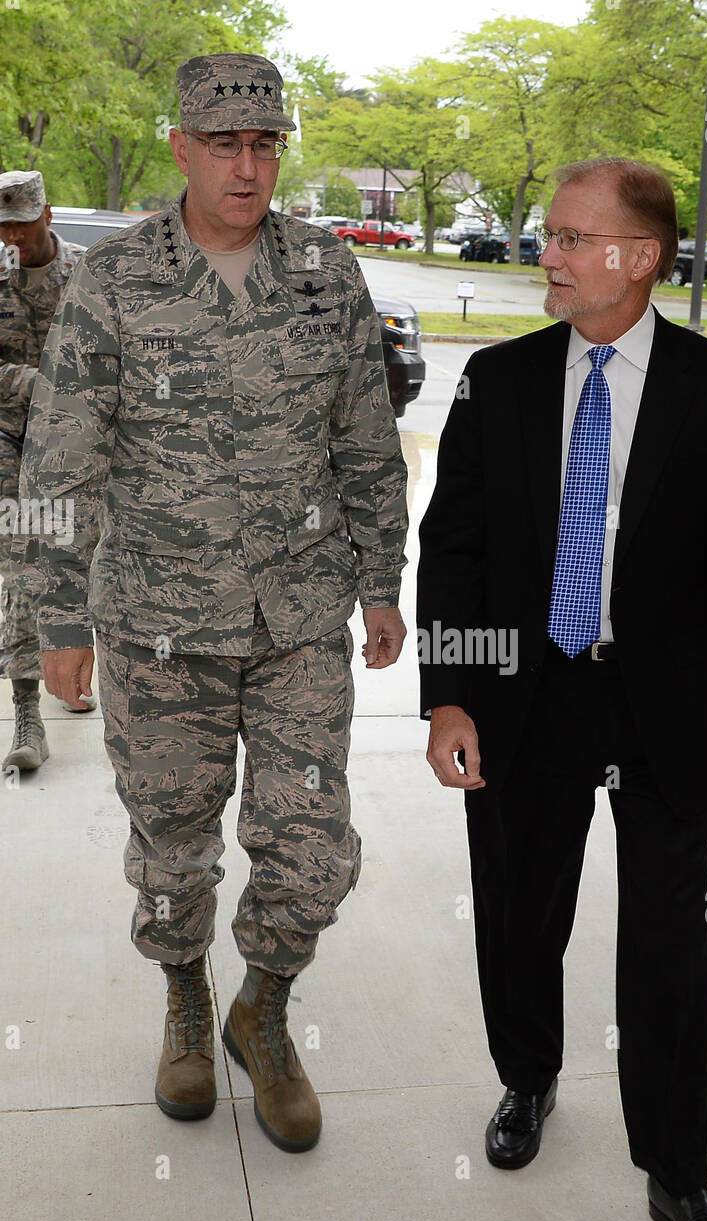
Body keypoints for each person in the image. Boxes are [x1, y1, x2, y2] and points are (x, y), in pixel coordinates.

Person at [16, 52, 408, 1155]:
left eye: (266, 143)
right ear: (182, 148)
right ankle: (187, 997)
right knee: (172, 841)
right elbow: (57, 465)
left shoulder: (328, 273)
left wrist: (381, 580)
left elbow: (365, 443)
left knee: (311, 846)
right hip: (156, 624)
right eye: (225, 144)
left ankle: (264, 1010)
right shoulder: (116, 281)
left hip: (297, 620)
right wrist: (55, 622)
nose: (248, 166)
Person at [417, 156, 707, 1221]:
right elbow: (455, 555)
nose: (552, 254)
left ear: (639, 258)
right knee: (523, 912)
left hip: (666, 707)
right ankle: (527, 1076)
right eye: (553, 236)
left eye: (575, 238)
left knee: (670, 947)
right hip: (528, 697)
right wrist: (448, 696)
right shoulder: (498, 380)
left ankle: (677, 1174)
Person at [0, 171, 86, 771]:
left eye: (22, 222)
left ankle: (77, 664)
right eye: (3, 225)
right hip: (9, 440)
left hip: (83, 447)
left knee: (89, 565)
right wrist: (44, 383)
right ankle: (27, 711)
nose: (13, 235)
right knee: (23, 565)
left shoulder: (87, 275)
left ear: (47, 215)